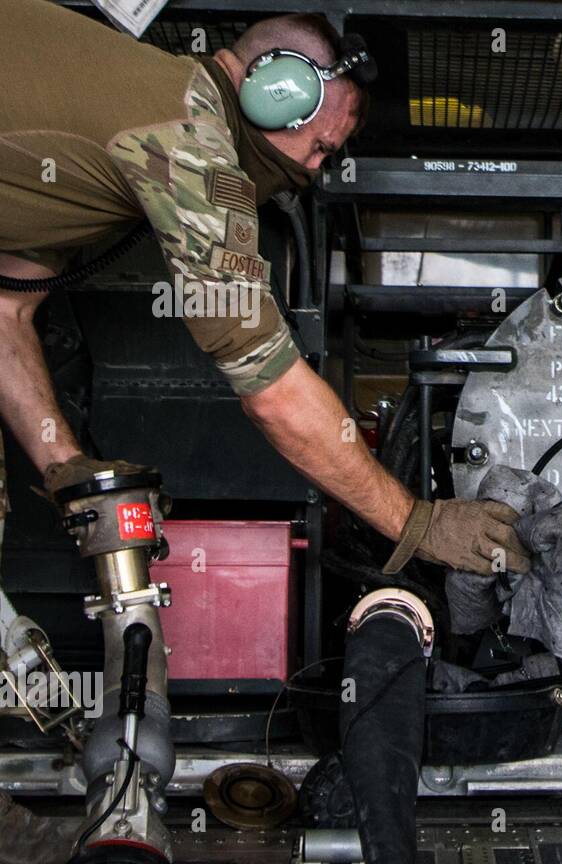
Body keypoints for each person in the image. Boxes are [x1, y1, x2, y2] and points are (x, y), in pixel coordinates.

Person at [0, 0, 531, 581]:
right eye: (323, 148)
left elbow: (7, 311)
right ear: (281, 88)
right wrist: (416, 521)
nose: (310, 169)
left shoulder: (122, 110)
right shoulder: (189, 145)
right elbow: (272, 391)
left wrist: (64, 464)